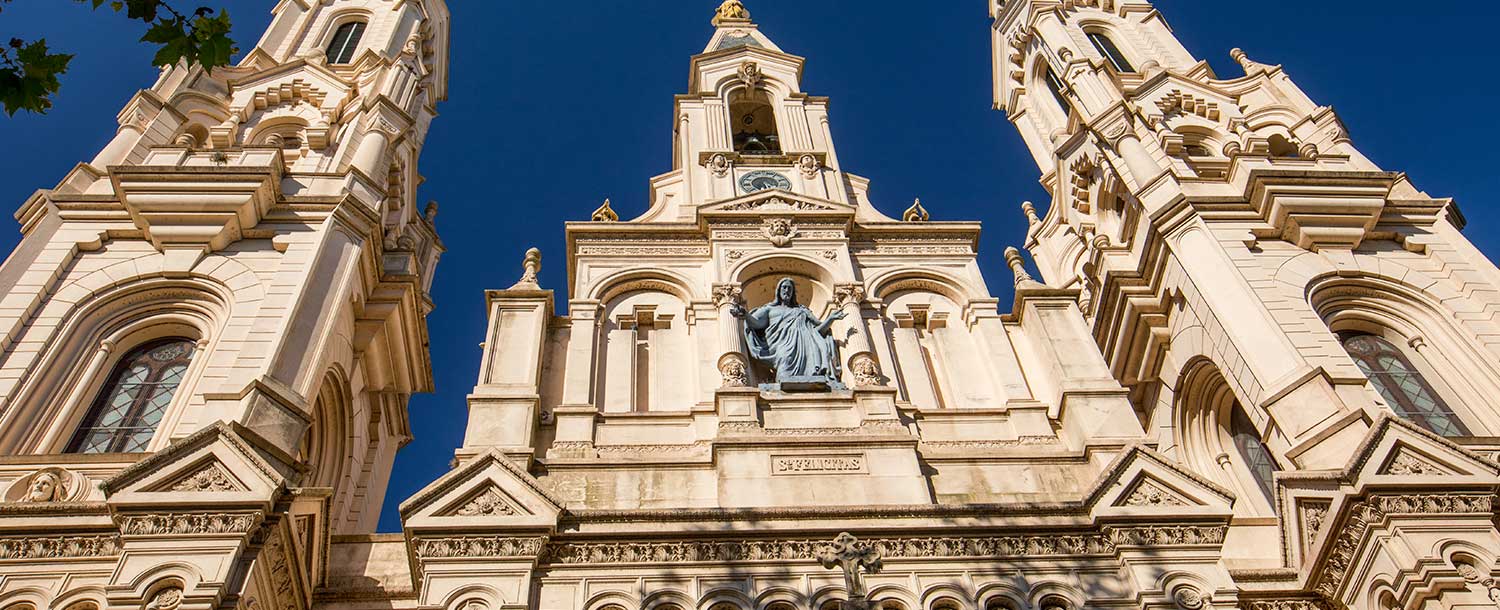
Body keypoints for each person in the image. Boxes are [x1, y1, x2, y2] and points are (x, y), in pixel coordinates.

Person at [732, 278, 846, 390]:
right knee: (784, 357)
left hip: (806, 344)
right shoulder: (770, 309)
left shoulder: (801, 310)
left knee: (811, 356)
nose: (787, 290)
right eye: (784, 287)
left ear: (793, 292)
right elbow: (756, 324)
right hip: (783, 345)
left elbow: (818, 331)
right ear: (778, 290)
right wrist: (745, 314)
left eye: (790, 288)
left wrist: (830, 319)